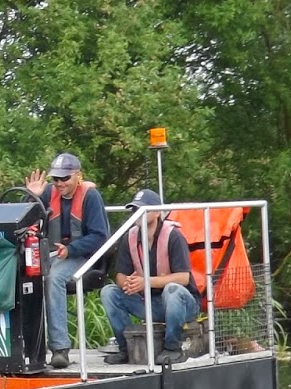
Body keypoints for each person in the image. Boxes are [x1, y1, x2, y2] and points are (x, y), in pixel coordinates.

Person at [25, 152, 110, 369]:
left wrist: (71, 250)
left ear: (77, 176)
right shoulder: (48, 193)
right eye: (56, 179)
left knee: (53, 277)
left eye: (65, 178)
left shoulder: (91, 197)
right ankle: (30, 349)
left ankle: (59, 348)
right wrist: (32, 196)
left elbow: (100, 236)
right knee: (25, 273)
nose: (60, 183)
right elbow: (24, 219)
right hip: (54, 255)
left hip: (84, 256)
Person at [100, 188, 201, 365]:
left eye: (141, 209)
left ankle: (173, 348)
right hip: (148, 303)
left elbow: (183, 278)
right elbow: (120, 275)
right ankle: (126, 349)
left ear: (156, 212)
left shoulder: (174, 236)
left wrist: (146, 282)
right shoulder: (129, 237)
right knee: (109, 292)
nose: (136, 214)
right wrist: (129, 284)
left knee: (172, 290)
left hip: (183, 305)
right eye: (133, 210)